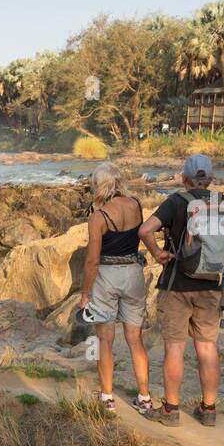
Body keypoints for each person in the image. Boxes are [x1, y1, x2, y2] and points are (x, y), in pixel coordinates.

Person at [137, 154, 224, 427]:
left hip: (176, 285)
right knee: (207, 347)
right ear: (211, 178)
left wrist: (157, 253)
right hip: (212, 286)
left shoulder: (177, 202)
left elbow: (145, 230)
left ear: (184, 178)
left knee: (175, 348)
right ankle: (209, 409)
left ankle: (170, 410)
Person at [78, 162, 153, 416]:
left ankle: (107, 398)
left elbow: (92, 260)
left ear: (98, 186)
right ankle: (144, 398)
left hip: (106, 278)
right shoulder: (135, 205)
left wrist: (85, 293)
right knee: (135, 340)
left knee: (105, 340)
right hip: (133, 273)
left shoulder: (98, 218)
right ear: (119, 182)